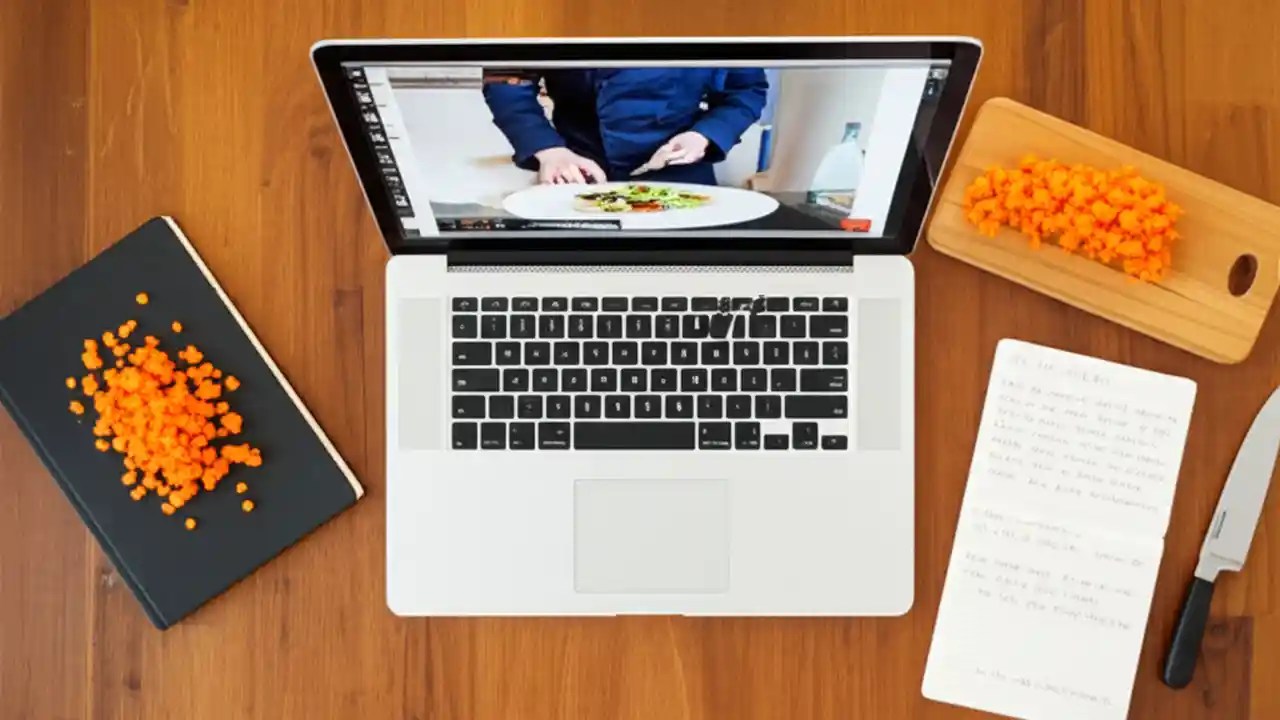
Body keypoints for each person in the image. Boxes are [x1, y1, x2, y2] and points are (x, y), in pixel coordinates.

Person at [482, 67, 768, 186]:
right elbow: (505, 82)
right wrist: (548, 150)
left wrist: (704, 136)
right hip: (577, 171)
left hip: (682, 173)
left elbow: (746, 89)